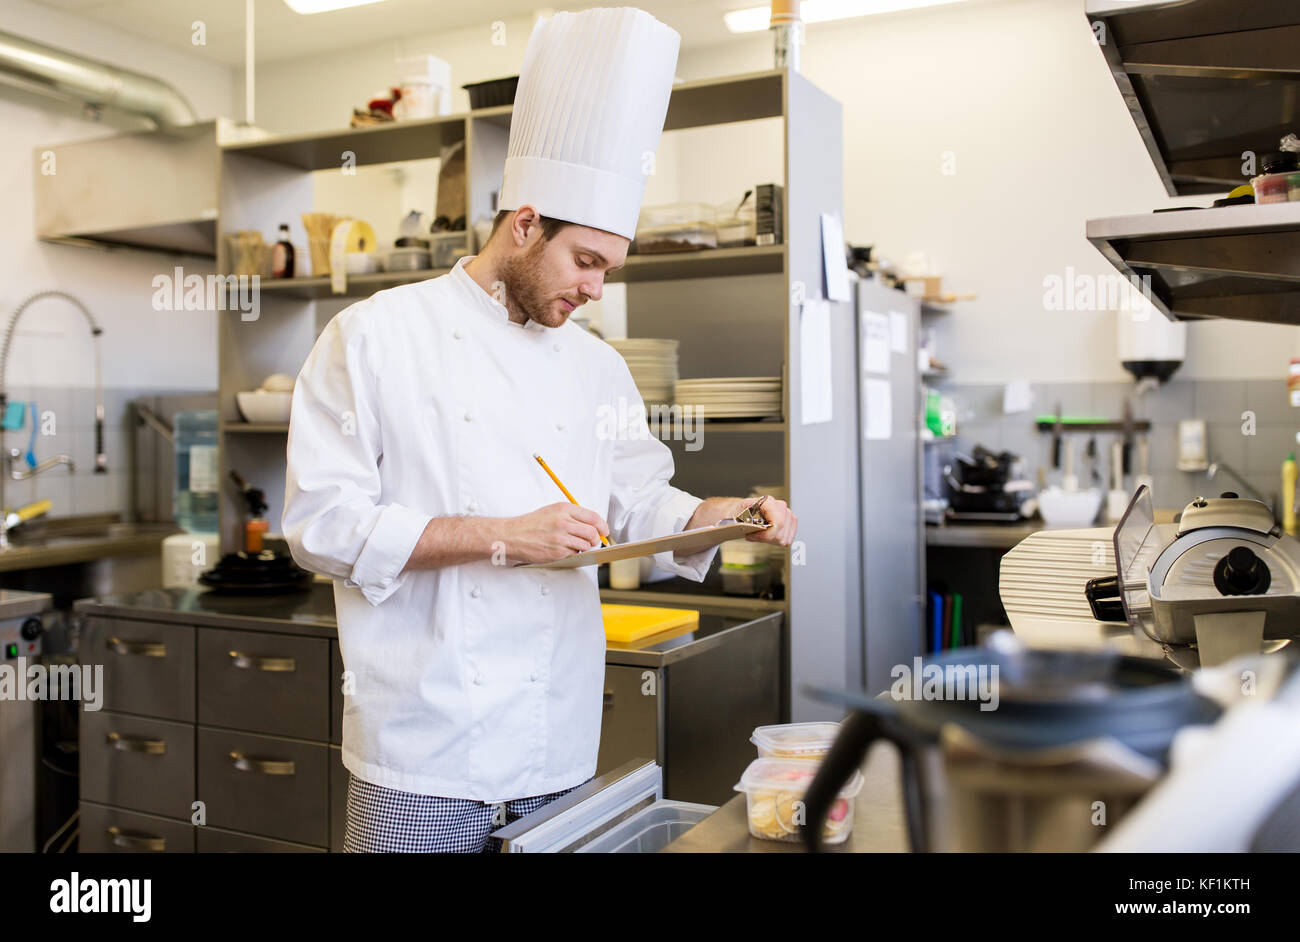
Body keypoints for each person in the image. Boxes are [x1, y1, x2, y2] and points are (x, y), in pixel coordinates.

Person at [282, 7, 797, 853]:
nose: (596, 291)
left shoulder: (595, 367)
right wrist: (500, 537)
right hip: (421, 750)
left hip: (555, 742)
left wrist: (729, 515)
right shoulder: (376, 336)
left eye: (609, 268)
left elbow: (638, 505)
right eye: (585, 262)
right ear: (525, 225)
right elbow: (320, 526)